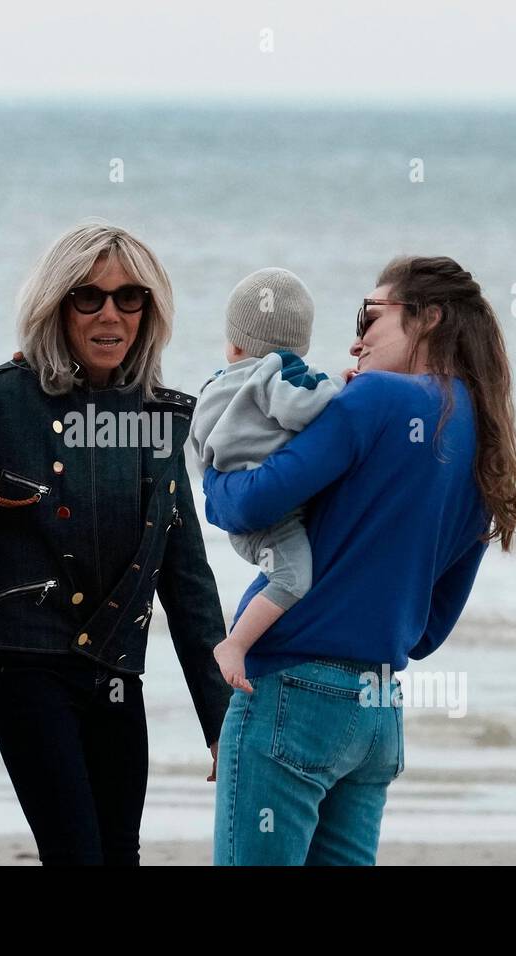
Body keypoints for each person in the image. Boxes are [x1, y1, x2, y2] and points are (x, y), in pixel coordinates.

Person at [0, 220, 232, 865]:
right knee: (75, 854)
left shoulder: (161, 418)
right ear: (56, 306)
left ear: (149, 312)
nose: (110, 314)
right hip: (26, 664)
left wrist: (222, 720)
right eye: (88, 297)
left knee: (116, 856)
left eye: (131, 298)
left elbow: (188, 579)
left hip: (118, 672)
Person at [203, 255, 516, 865]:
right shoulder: (484, 435)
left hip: (290, 694)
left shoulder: (376, 398)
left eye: (370, 315)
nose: (357, 337)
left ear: (429, 318)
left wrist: (210, 472)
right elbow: (429, 630)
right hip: (376, 712)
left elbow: (251, 505)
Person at [190, 267, 340, 694]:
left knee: (280, 576)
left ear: (233, 344)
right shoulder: (276, 372)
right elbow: (301, 408)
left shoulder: (216, 384)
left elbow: (201, 441)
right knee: (293, 579)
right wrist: (339, 387)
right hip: (271, 515)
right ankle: (234, 644)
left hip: (234, 506)